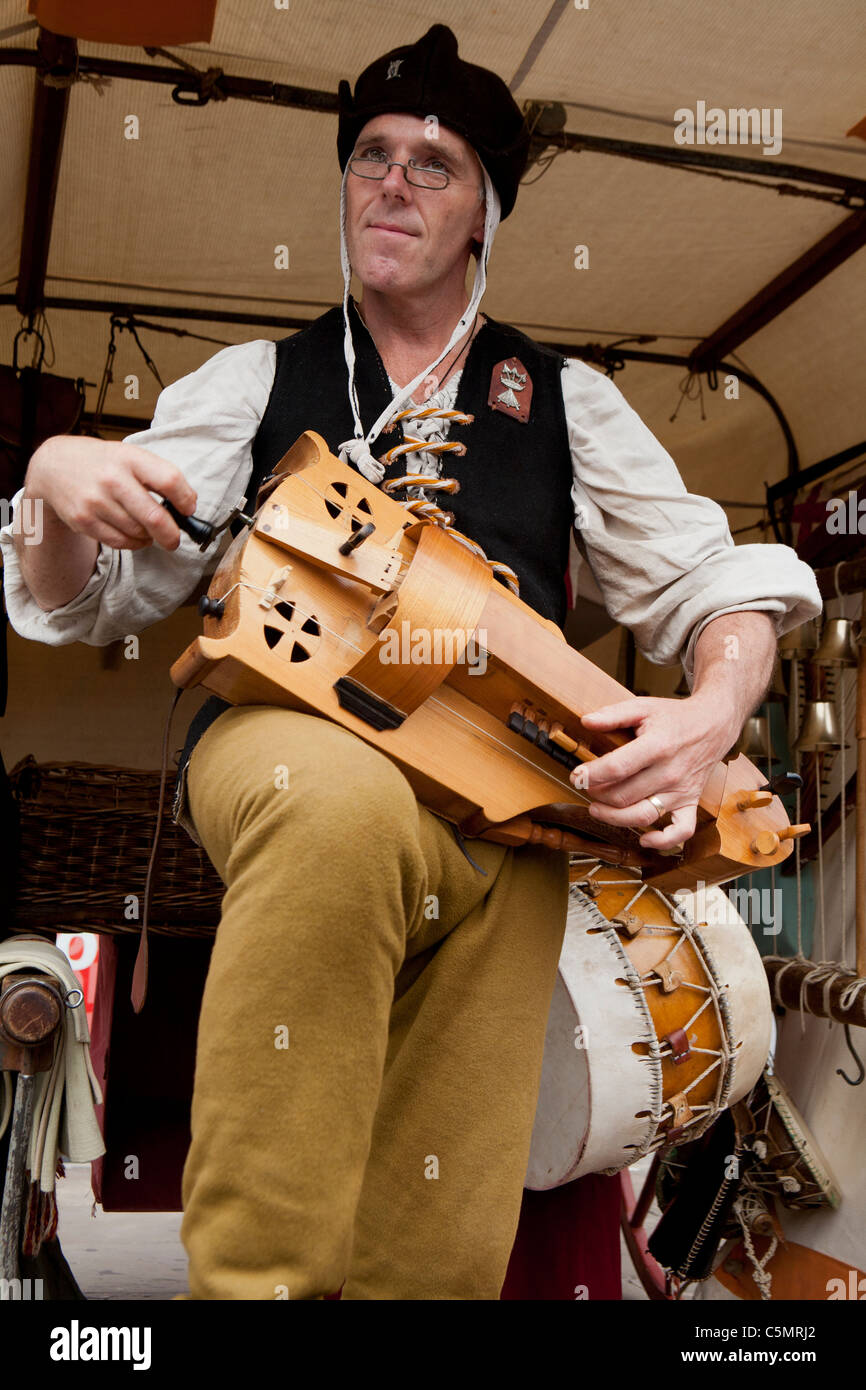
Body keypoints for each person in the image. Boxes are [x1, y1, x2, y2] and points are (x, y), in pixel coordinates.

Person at [1, 25, 821, 1299]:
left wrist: (714, 708)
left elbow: (720, 585)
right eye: (370, 157)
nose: (391, 182)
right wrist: (51, 485)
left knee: (439, 1228)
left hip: (507, 807)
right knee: (336, 810)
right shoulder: (250, 381)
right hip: (285, 749)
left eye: (432, 165)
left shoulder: (562, 401)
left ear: (485, 213)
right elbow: (86, 601)